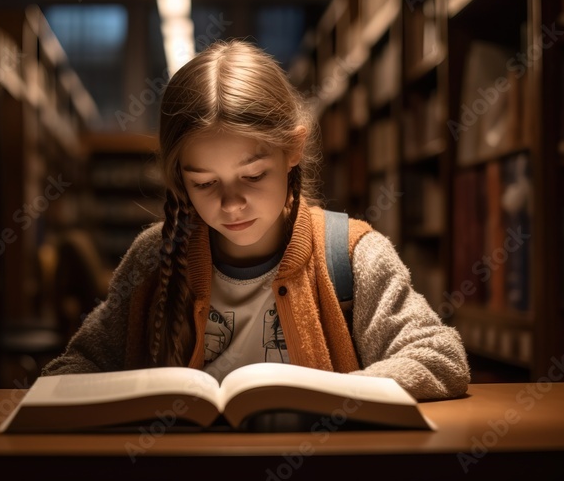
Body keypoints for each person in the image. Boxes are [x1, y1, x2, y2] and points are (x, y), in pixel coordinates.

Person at [43, 40, 469, 400]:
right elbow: (70, 370)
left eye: (253, 175)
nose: (231, 205)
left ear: (294, 149)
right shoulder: (152, 258)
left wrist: (322, 396)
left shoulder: (353, 255)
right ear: (179, 180)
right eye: (205, 184)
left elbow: (440, 357)